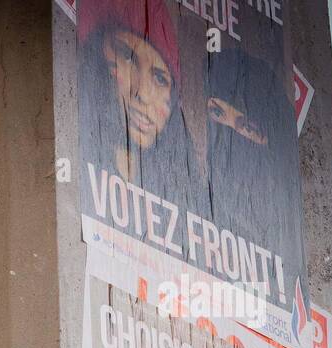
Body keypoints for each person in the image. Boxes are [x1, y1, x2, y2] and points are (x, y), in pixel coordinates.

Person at [78, 0, 199, 214]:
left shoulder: (186, 210)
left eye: (161, 79)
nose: (141, 93)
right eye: (127, 57)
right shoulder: (71, 171)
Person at [204, 47, 303, 280]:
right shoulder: (190, 201)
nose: (227, 132)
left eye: (247, 127)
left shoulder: (286, 235)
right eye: (217, 113)